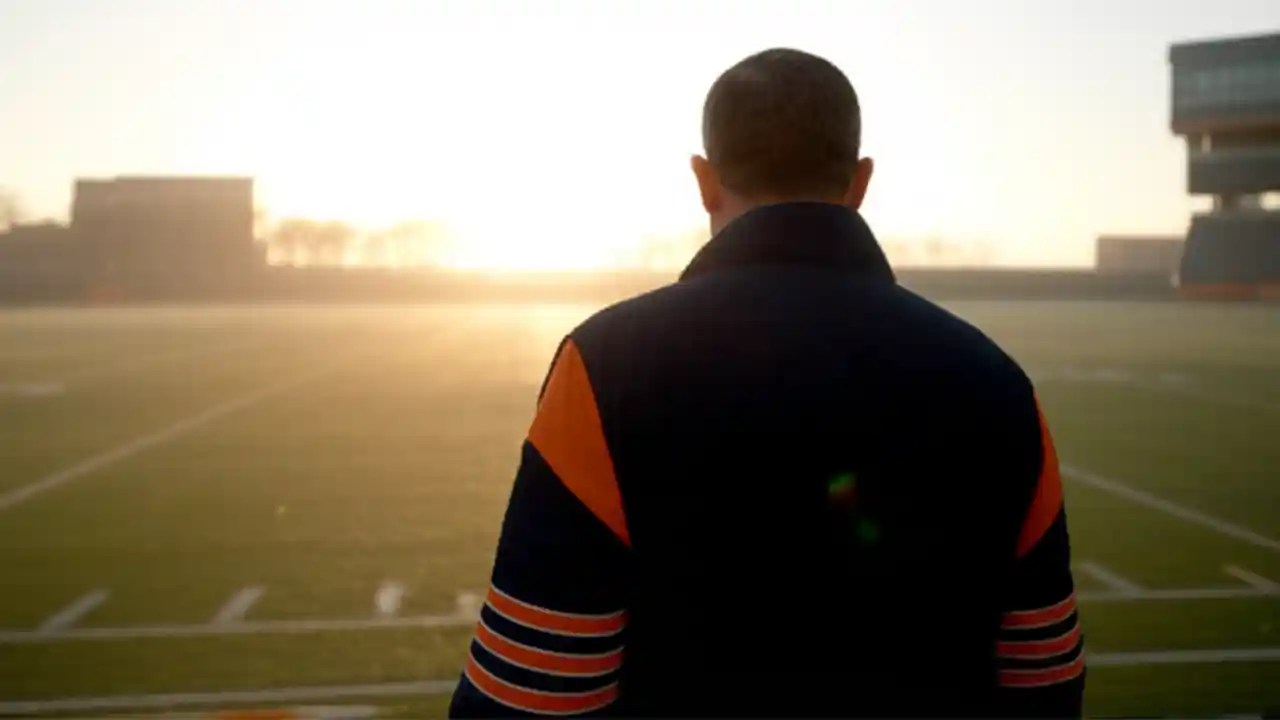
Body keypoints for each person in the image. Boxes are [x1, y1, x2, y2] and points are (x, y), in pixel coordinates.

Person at [449, 48, 1084, 718]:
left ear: (704, 179)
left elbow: (529, 697)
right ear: (860, 182)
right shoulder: (999, 383)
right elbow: (1045, 684)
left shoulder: (606, 366)